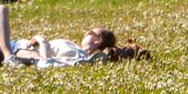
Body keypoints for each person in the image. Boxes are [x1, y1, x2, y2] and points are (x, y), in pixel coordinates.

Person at [10, 28, 149, 65]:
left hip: (14, 50)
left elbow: (45, 61)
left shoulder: (77, 53)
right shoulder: (76, 50)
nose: (85, 33)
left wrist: (42, 40)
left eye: (90, 32)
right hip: (16, 46)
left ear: (98, 40)